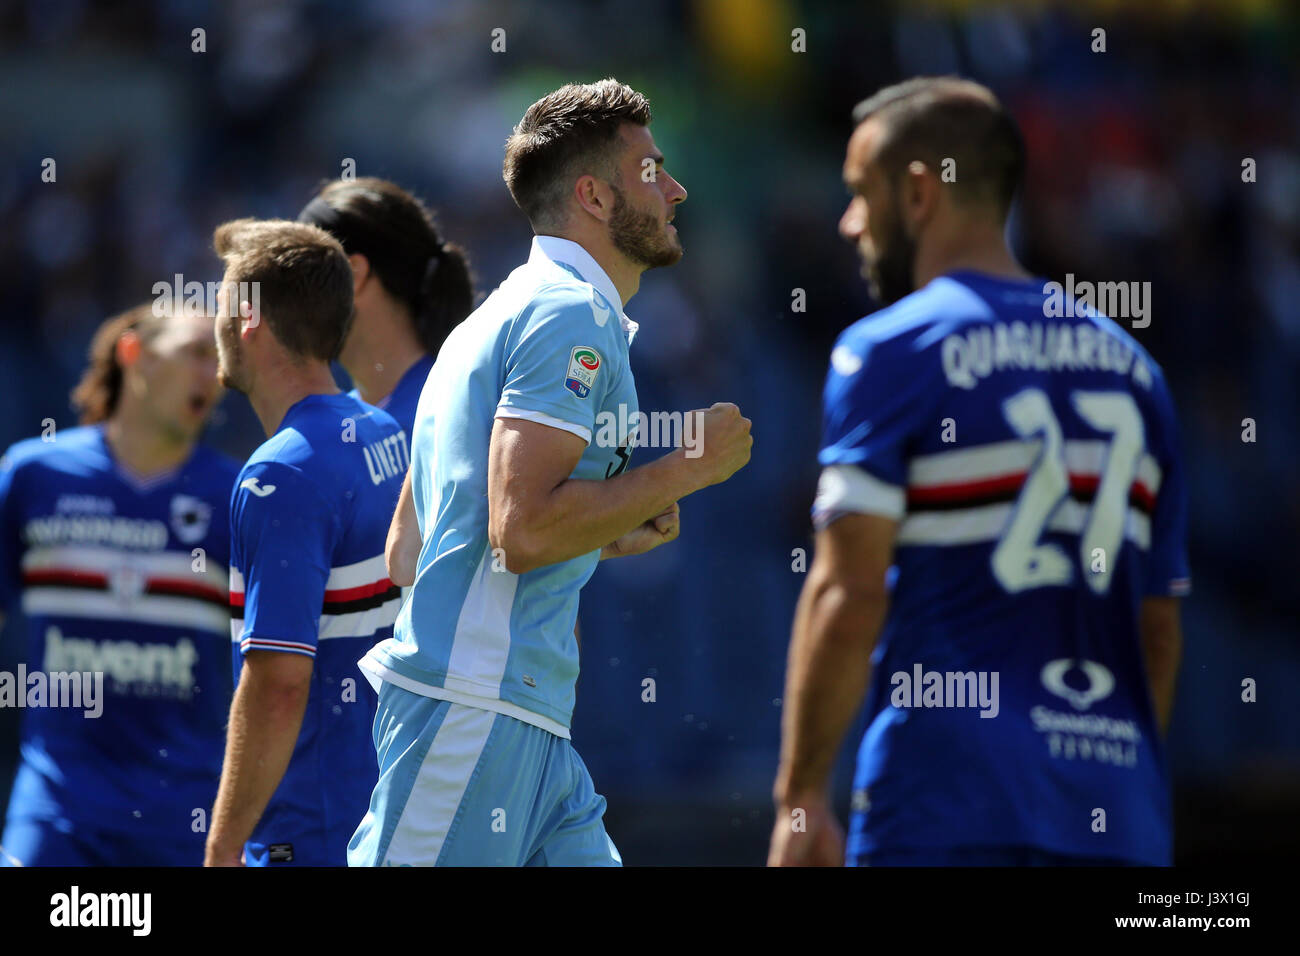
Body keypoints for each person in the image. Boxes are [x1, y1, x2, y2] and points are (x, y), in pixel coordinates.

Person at [769, 76, 1188, 867]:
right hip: (1119, 821)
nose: (849, 221)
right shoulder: (1136, 371)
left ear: (919, 192)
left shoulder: (889, 349)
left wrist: (800, 798)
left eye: (861, 192)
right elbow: (1158, 627)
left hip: (945, 809)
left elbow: (847, 591)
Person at [349, 78, 752, 867]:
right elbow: (522, 528)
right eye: (652, 171)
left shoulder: (496, 317)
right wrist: (684, 468)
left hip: (521, 722)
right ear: (595, 196)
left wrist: (601, 530)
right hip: (473, 715)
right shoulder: (569, 313)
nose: (676, 189)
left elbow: (415, 548)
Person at [0, 304, 237, 865]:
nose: (215, 376)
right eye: (199, 353)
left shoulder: (237, 495)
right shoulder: (34, 476)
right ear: (135, 354)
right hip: (57, 812)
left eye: (224, 363)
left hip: (188, 820)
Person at [202, 219, 406, 866]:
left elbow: (278, 687)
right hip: (398, 811)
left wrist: (224, 846)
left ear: (248, 321)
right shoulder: (382, 430)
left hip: (316, 834)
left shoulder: (280, 473)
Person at [297, 176, 475, 434]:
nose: (290, 296)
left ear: (353, 274)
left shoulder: (453, 416)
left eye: (303, 274)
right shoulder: (338, 426)